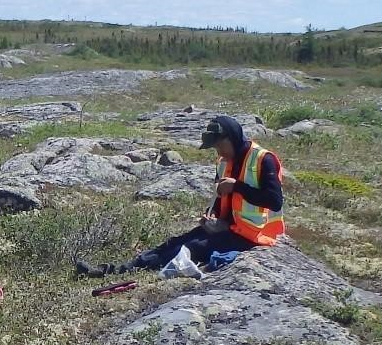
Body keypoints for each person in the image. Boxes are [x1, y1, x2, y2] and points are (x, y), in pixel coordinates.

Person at [75, 114, 284, 277]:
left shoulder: (262, 159)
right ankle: (114, 269)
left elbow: (274, 201)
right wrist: (212, 217)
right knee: (174, 242)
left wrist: (237, 187)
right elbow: (223, 200)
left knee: (192, 247)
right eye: (215, 148)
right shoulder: (223, 162)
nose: (219, 152)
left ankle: (127, 271)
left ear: (233, 138)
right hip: (229, 228)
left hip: (253, 236)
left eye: (220, 145)